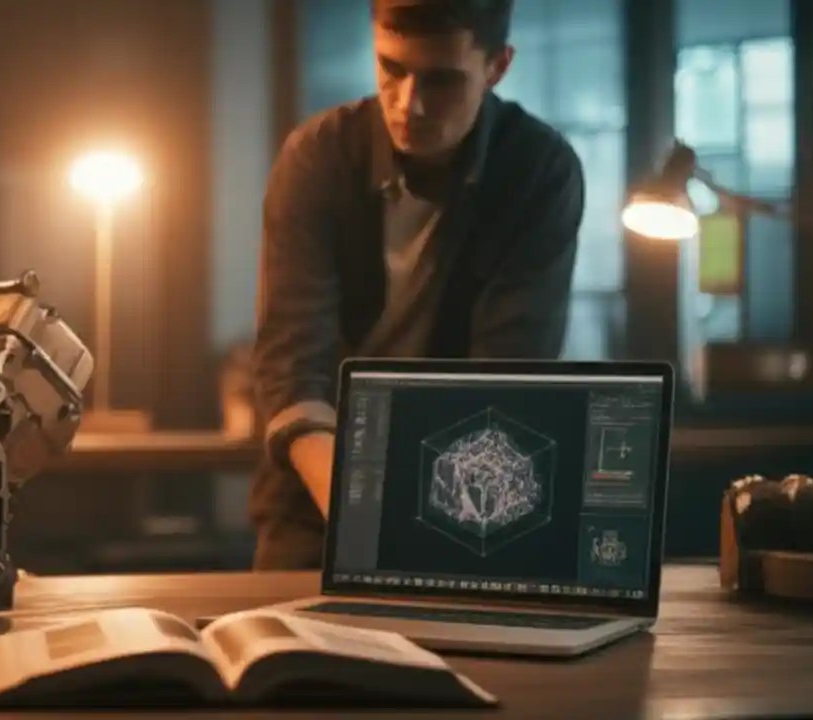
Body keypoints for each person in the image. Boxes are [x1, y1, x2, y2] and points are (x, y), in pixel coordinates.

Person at [249, 0, 584, 570]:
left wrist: (429, 525)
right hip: (314, 497)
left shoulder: (536, 170)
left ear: (497, 66)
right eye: (391, 69)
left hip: (471, 490)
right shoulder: (317, 157)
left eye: (442, 81)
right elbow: (293, 370)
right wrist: (364, 521)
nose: (409, 104)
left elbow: (504, 377)